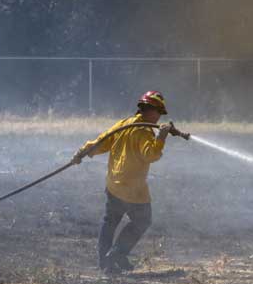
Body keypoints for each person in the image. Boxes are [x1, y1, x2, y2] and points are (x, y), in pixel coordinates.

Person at [73, 91, 177, 274]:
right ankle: (116, 255)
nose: (159, 116)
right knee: (143, 220)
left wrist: (83, 152)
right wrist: (161, 137)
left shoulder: (123, 124)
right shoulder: (143, 132)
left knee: (110, 222)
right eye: (159, 112)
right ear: (151, 110)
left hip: (114, 184)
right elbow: (151, 155)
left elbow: (101, 142)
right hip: (132, 189)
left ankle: (104, 262)